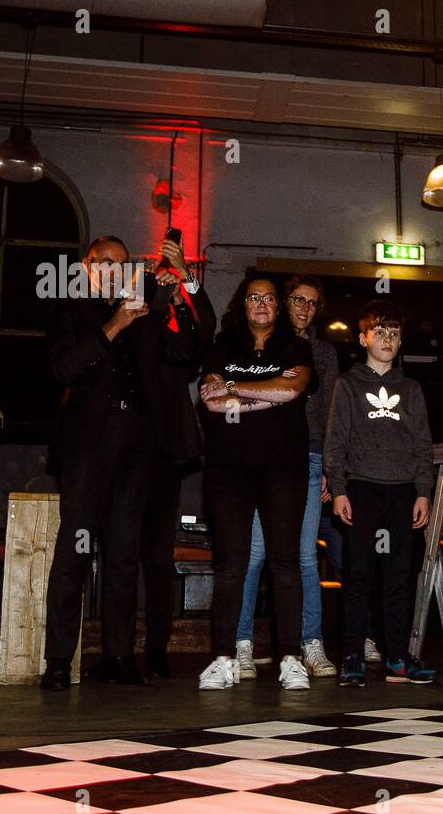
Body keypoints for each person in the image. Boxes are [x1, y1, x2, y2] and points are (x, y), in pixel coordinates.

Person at [41, 235, 207, 691]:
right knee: (75, 550)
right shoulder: (70, 308)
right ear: (87, 266)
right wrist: (112, 325)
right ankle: (58, 660)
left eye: (122, 262)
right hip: (88, 444)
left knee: (123, 555)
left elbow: (185, 354)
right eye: (106, 262)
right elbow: (65, 369)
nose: (115, 269)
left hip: (138, 443)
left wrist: (180, 297)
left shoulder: (143, 311)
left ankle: (119, 655)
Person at [197, 276, 314, 690]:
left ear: (277, 306)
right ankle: (224, 659)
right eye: (253, 297)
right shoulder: (223, 344)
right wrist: (267, 394)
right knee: (231, 563)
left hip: (284, 467)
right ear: (241, 304)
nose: (261, 304)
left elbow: (293, 389)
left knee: (286, 563)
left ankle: (290, 659)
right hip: (229, 468)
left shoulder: (296, 346)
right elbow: (211, 401)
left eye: (268, 297)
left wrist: (233, 386)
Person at [231, 275, 341, 679]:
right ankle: (241, 645)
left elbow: (330, 412)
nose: (305, 308)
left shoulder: (325, 354)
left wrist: (331, 466)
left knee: (306, 556)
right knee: (256, 554)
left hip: (309, 459)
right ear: (283, 302)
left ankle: (310, 645)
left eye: (313, 303)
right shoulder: (267, 346)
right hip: (270, 458)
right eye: (298, 299)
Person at [324, 300, 435, 687]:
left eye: (394, 333)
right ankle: (353, 655)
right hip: (362, 489)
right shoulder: (348, 384)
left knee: (398, 576)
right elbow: (335, 441)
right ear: (363, 338)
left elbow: (424, 444)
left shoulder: (412, 388)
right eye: (380, 332)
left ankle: (398, 657)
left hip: (402, 493)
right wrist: (339, 489)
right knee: (357, 575)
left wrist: (423, 491)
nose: (388, 339)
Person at [138, 237, 216, 679]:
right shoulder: (136, 310)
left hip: (165, 450)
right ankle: (115, 649)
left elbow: (203, 333)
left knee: (158, 554)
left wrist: (186, 278)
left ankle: (156, 647)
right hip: (125, 447)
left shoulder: (180, 327)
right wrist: (157, 285)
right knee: (122, 551)